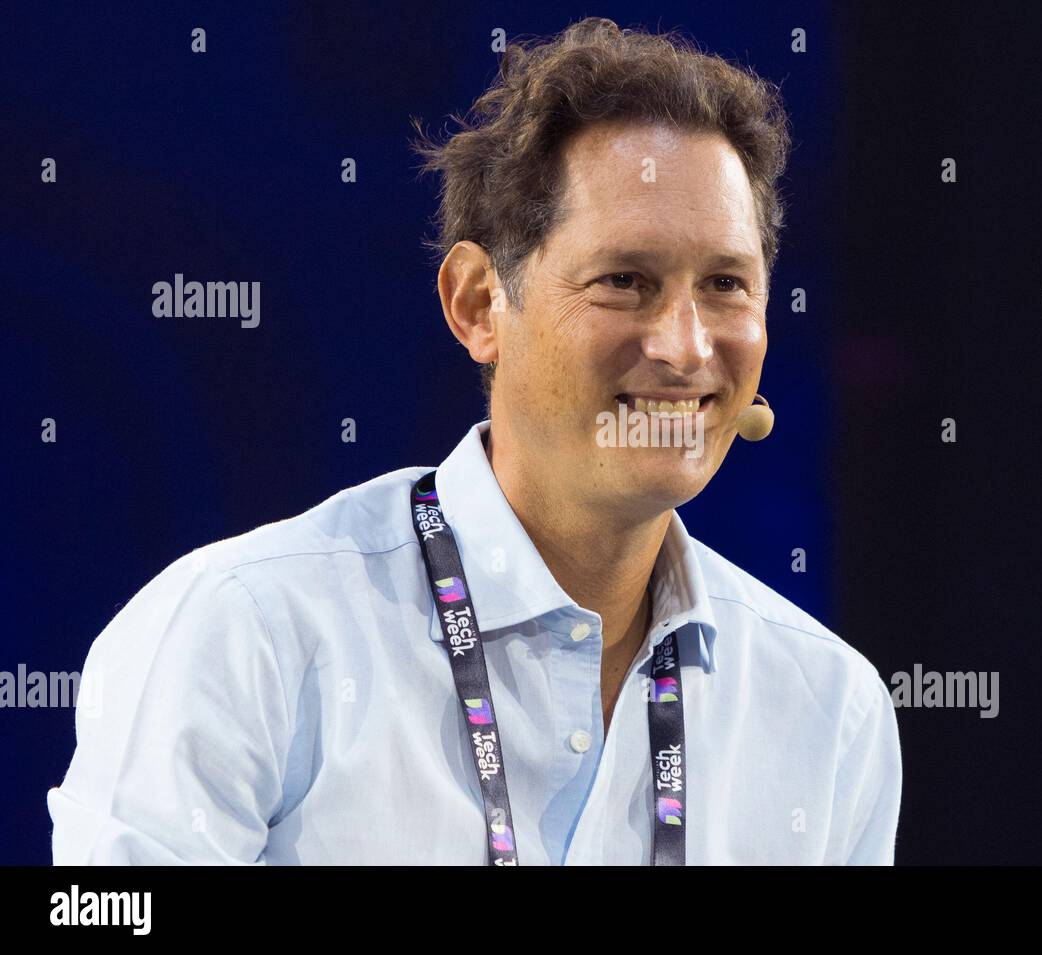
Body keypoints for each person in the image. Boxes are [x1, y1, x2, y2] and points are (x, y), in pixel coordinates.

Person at [47, 16, 901, 865]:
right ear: (478, 304)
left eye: (724, 284)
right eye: (624, 281)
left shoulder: (831, 711)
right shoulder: (245, 632)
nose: (684, 347)